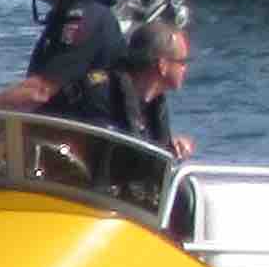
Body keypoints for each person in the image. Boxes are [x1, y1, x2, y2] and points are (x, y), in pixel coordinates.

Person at [56, 12, 195, 170]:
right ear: (162, 66)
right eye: (182, 62)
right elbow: (102, 158)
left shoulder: (152, 101)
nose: (185, 69)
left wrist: (170, 148)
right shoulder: (100, 93)